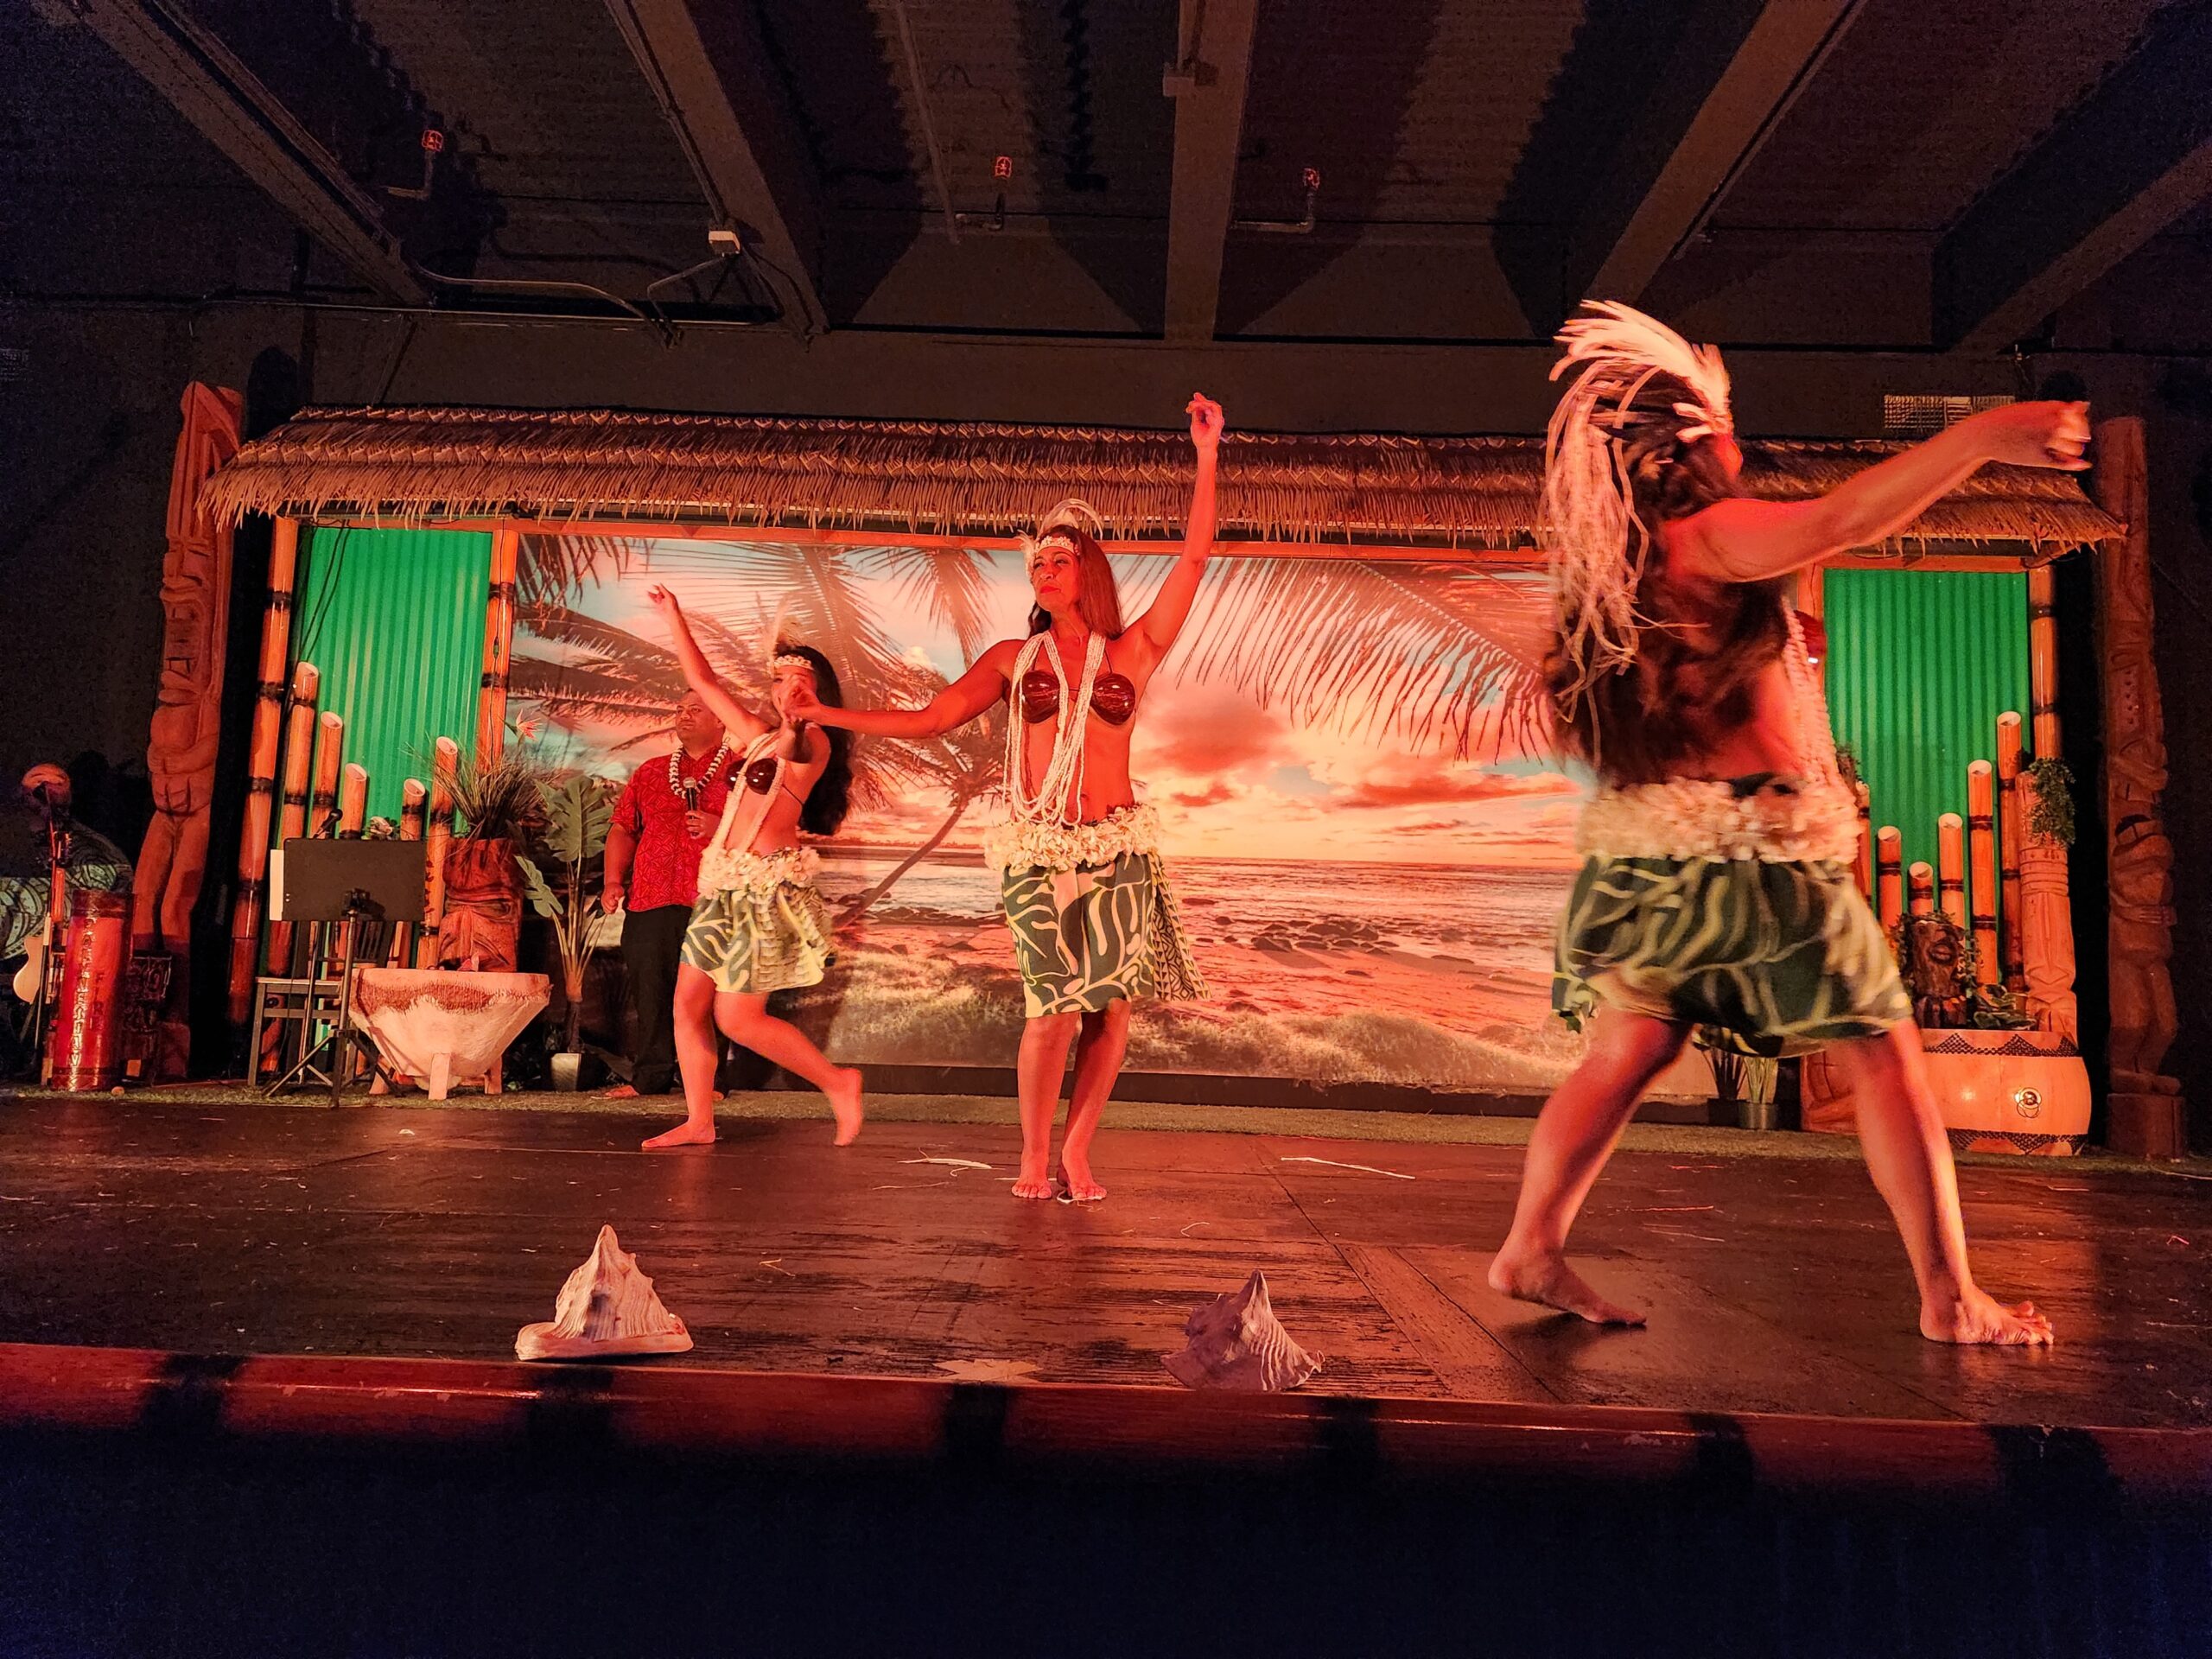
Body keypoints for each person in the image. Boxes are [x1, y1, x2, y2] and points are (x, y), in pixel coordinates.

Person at [1490, 302, 2078, 1346]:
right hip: (1754, 859)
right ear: (1690, 444)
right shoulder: (1708, 536)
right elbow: (1846, 520)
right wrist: (1989, 435)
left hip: (1657, 857)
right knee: (1886, 1058)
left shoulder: (1620, 577)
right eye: (1725, 423)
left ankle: (1532, 1244)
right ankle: (1949, 1298)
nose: (1739, 438)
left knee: (1625, 1053)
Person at [791, 394, 1224, 1201]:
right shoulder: (1009, 660)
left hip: (1117, 848)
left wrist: (1206, 456)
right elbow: (927, 720)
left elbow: (1194, 562)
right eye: (1036, 565)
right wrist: (824, 711)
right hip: (1037, 849)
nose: (1044, 572)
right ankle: (1032, 1154)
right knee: (1050, 1010)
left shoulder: (1133, 651)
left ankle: (1078, 1153)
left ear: (1085, 571)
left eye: (1057, 562)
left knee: (1111, 1013)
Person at [639, 588, 862, 1150]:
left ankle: (838, 1082)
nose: (788, 690)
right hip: (723, 888)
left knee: (737, 1018)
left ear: (818, 694)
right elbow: (707, 683)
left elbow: (793, 744)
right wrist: (675, 615)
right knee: (686, 1005)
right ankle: (699, 1120)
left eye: (802, 684)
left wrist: (796, 716)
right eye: (780, 682)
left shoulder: (813, 745)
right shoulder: (756, 737)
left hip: (766, 893)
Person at [601, 691, 739, 1101]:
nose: (683, 716)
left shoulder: (742, 772)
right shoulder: (650, 772)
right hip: (650, 896)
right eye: (679, 709)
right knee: (650, 988)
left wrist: (721, 826)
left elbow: (766, 831)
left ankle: (708, 1082)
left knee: (709, 991)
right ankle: (650, 1078)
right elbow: (623, 828)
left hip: (713, 898)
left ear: (721, 720)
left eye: (695, 709)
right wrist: (613, 880)